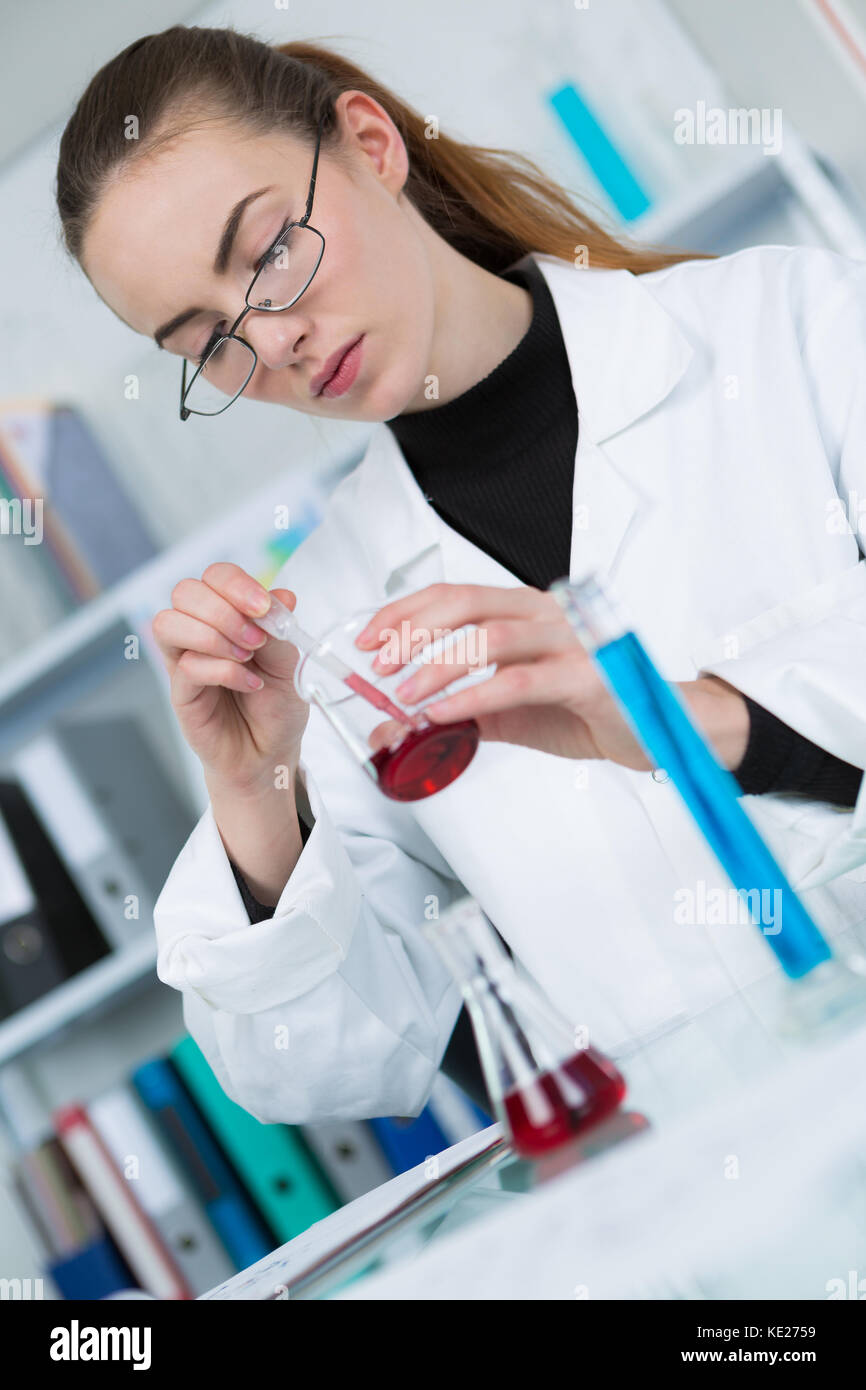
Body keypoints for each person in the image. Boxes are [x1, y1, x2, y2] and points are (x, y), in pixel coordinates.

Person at [56, 26, 866, 1124]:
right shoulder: (334, 621)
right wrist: (254, 789)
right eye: (206, 340)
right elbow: (321, 1063)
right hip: (734, 1202)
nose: (274, 338)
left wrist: (676, 720)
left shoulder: (790, 327)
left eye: (270, 254)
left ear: (369, 143)